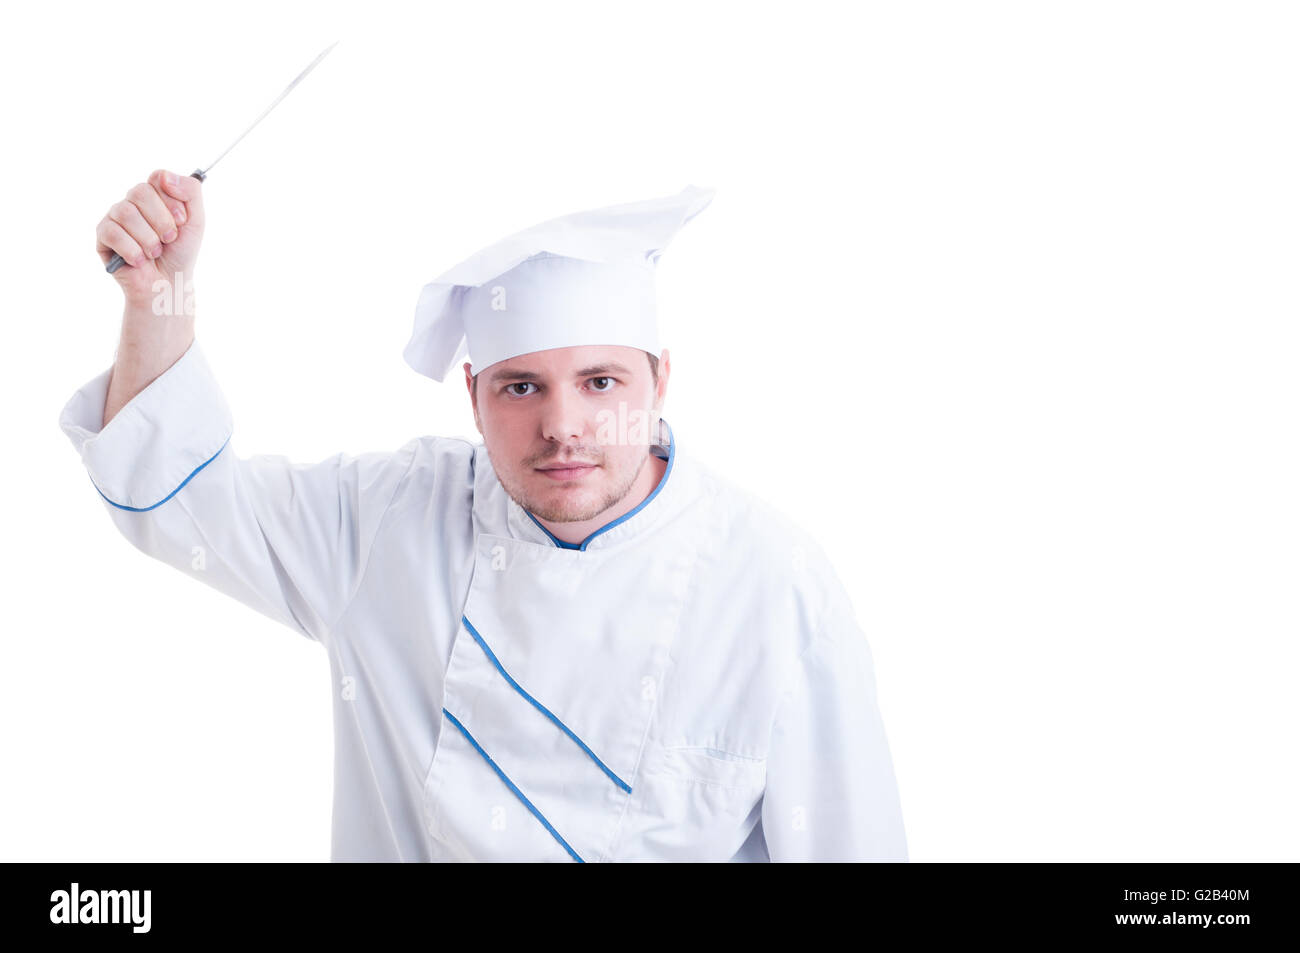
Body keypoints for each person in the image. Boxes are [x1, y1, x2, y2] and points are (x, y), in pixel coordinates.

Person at [60, 170, 909, 862]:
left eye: (602, 381)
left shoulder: (775, 588)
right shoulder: (385, 525)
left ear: (661, 384)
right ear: (472, 395)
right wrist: (159, 298)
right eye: (522, 387)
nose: (564, 425)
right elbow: (175, 497)